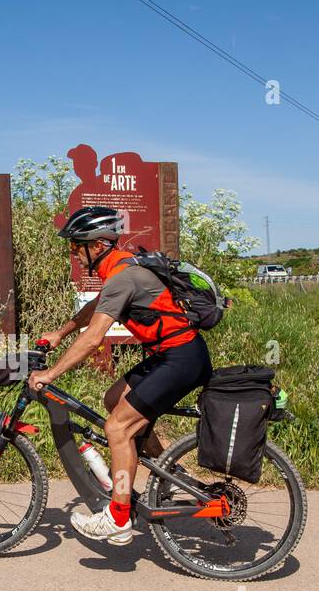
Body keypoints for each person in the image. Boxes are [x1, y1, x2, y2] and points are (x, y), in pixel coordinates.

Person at [27, 206, 213, 546]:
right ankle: (169, 474)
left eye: (75, 247)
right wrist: (59, 332)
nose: (74, 255)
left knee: (117, 427)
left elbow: (94, 337)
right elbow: (94, 308)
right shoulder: (123, 268)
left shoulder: (122, 277)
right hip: (171, 355)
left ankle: (118, 518)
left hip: (180, 359)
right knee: (113, 399)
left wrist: (50, 373)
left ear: (97, 245)